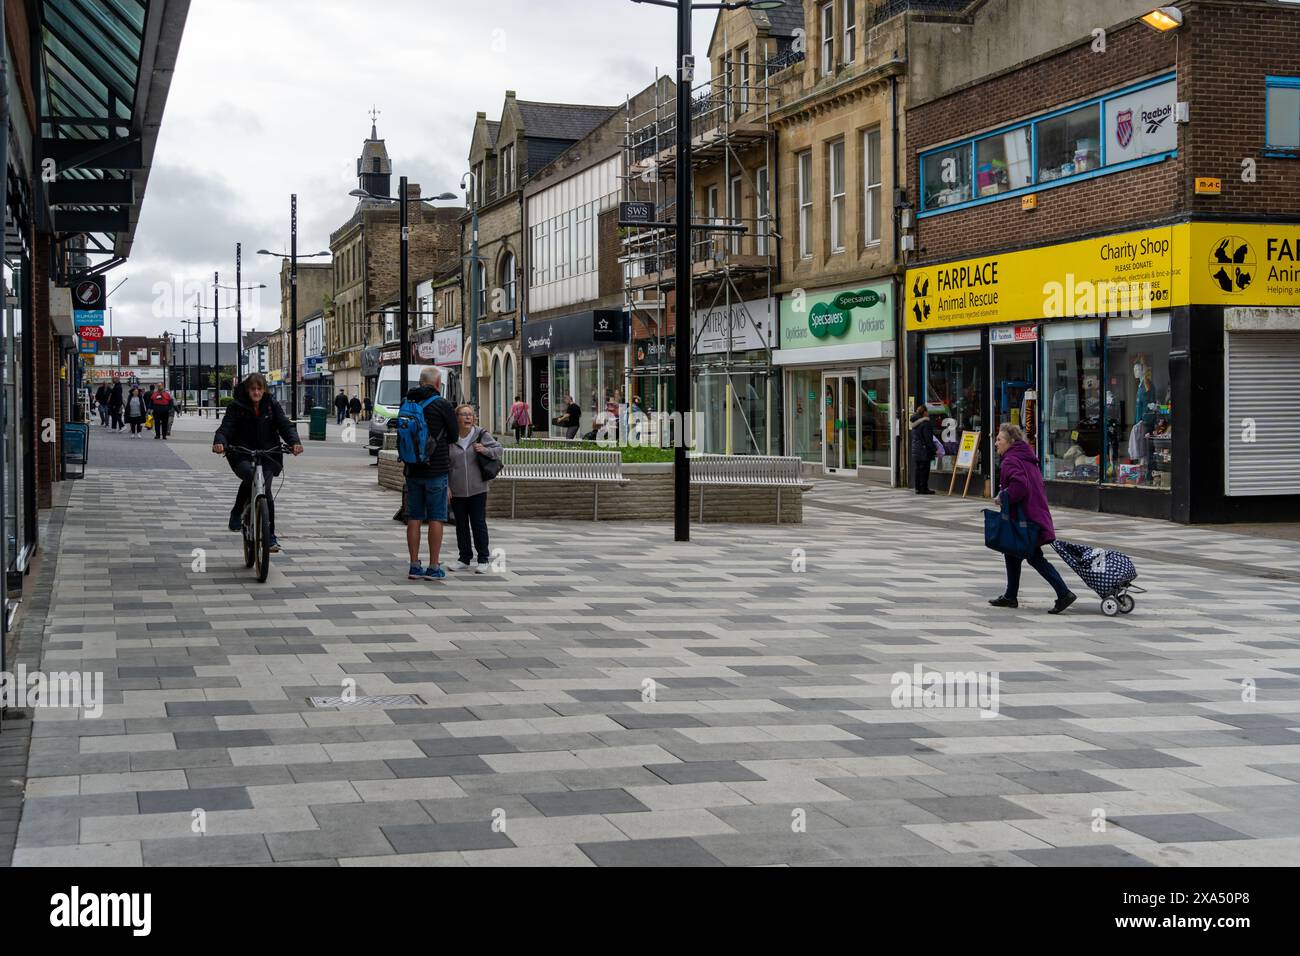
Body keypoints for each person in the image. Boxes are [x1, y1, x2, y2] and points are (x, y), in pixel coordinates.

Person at [989, 422, 1077, 614]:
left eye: (999, 439)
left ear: (1010, 441)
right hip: (1033, 515)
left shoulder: (1011, 460)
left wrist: (1002, 497)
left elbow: (1020, 487)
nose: (996, 443)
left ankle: (1064, 593)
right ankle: (1010, 596)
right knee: (1011, 553)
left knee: (1034, 557)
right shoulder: (1026, 457)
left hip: (1026, 520)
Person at [212, 373, 303, 553]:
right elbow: (226, 428)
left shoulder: (271, 406)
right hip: (242, 453)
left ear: (264, 390)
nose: (256, 392)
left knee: (266, 492)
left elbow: (284, 425)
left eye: (259, 389)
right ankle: (237, 510)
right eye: (253, 389)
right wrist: (220, 442)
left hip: (268, 454)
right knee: (251, 475)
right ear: (247, 390)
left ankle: (270, 537)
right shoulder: (236, 407)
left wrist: (295, 442)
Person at [401, 366, 458, 581]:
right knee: (436, 517)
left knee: (414, 516)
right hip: (436, 469)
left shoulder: (407, 402)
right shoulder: (442, 404)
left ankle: (414, 565)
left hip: (412, 468)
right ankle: (434, 566)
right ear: (437, 383)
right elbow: (453, 436)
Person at [447, 404, 501, 573]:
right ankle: (464, 558)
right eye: (464, 414)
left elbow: (499, 449)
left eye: (470, 414)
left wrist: (485, 450)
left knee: (478, 523)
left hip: (478, 489)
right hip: (457, 489)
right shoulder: (450, 437)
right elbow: (445, 464)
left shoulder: (480, 434)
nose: (468, 417)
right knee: (461, 525)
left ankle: (483, 559)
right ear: (457, 418)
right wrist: (447, 486)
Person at [910, 404, 936, 495]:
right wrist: (934, 449)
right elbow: (928, 439)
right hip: (923, 450)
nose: (928, 413)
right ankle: (923, 488)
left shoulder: (914, 423)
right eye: (927, 411)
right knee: (924, 470)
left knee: (918, 469)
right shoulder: (925, 423)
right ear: (924, 412)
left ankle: (917, 488)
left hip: (916, 450)